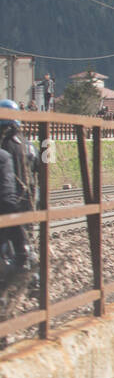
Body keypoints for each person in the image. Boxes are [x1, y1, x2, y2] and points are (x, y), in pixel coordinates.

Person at [0, 100, 31, 268]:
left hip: (9, 197)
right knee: (25, 236)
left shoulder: (4, 144)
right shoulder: (26, 143)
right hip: (26, 196)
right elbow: (41, 165)